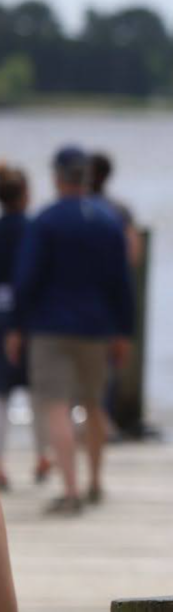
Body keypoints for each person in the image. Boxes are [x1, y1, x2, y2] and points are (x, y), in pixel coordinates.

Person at [6, 146, 134, 515]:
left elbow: (26, 280)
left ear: (58, 177)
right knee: (94, 404)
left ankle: (71, 489)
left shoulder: (44, 221)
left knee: (55, 405)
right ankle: (95, 481)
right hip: (97, 328)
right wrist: (123, 331)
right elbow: (121, 283)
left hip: (50, 328)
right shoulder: (109, 222)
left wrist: (16, 327)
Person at [0, 164, 50, 490]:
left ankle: (1, 464)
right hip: (33, 317)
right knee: (40, 394)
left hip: (1, 315)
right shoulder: (36, 230)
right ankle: (42, 455)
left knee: (1, 397)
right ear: (26, 194)